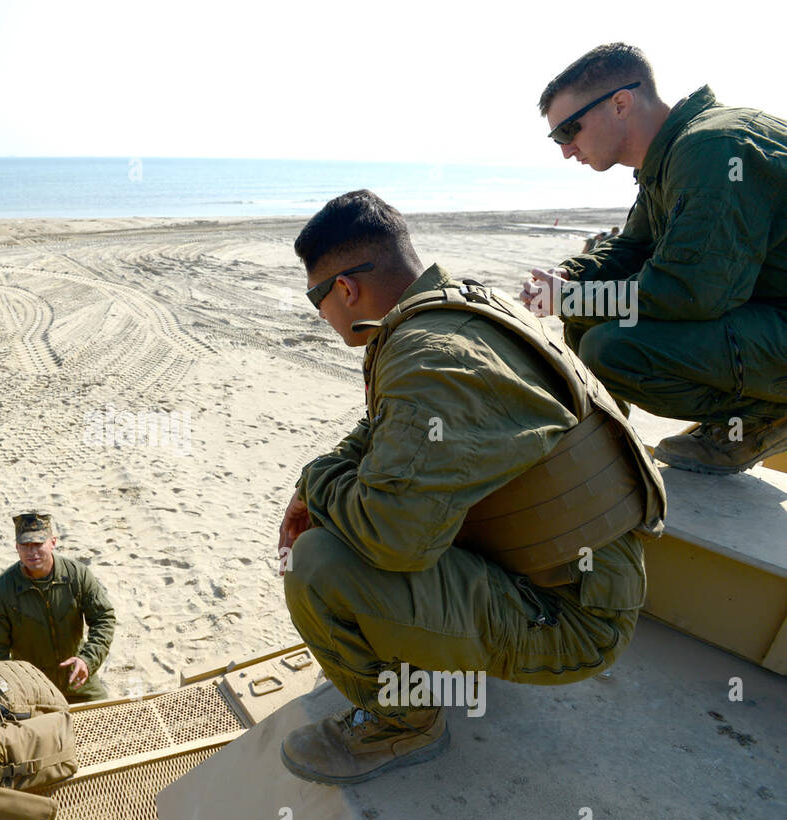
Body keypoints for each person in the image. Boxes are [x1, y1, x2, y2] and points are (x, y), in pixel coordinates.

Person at [277, 190, 665, 785]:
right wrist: (317, 481)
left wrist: (318, 486)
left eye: (316, 297)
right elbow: (380, 431)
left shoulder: (428, 355)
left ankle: (403, 722)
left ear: (346, 290)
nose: (320, 313)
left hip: (571, 618)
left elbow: (392, 539)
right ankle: (426, 648)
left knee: (316, 566)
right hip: (576, 573)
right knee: (348, 505)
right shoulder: (455, 312)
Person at [520, 42, 787, 474]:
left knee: (613, 348)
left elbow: (690, 291)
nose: (566, 150)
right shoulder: (674, 153)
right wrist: (569, 277)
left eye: (569, 130)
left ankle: (765, 417)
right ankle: (603, 444)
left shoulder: (713, 149)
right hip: (768, 314)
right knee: (587, 316)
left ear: (620, 103)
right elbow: (635, 247)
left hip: (773, 320)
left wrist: (571, 298)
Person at [0, 512, 116, 702]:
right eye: (25, 545)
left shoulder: (77, 575)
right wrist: (13, 689)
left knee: (108, 720)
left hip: (78, 678)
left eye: (38, 543)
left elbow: (103, 618)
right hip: (32, 688)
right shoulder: (1, 590)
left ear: (53, 542)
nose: (31, 551)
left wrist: (87, 661)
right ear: (16, 547)